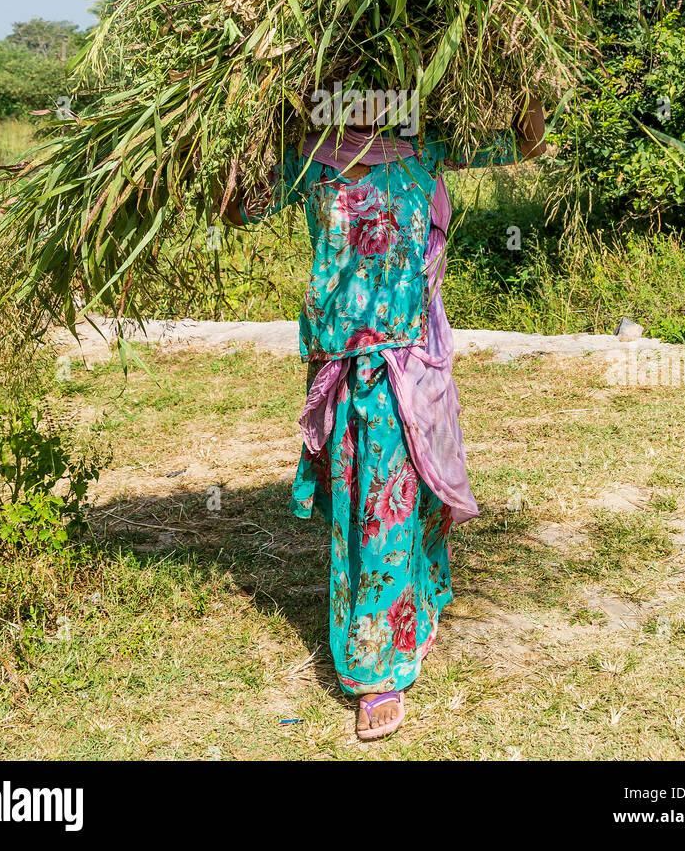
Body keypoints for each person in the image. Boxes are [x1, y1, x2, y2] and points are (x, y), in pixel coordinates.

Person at [224, 100, 545, 739]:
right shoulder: (309, 155)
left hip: (408, 359)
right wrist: (233, 125)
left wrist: (524, 71)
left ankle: (399, 636)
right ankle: (376, 668)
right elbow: (239, 209)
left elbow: (523, 144)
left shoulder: (424, 142)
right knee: (362, 510)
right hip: (343, 358)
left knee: (396, 505)